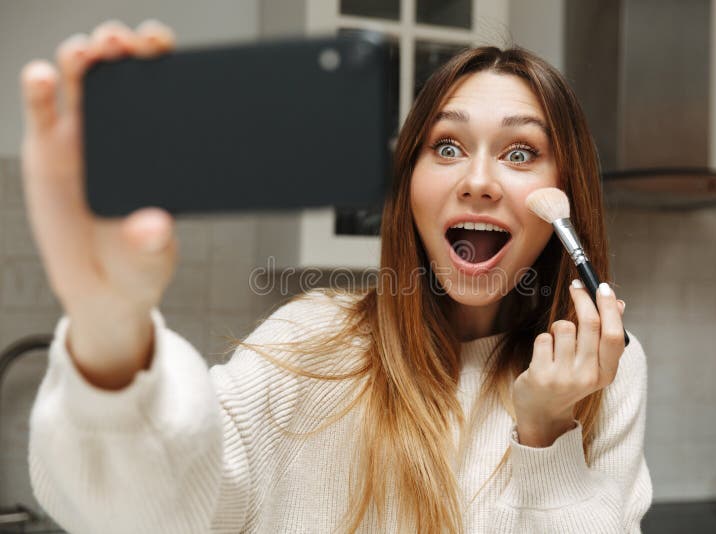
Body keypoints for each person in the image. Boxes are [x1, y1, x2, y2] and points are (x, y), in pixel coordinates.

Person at [19, 18, 652, 534]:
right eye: (446, 147)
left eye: (520, 153)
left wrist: (547, 434)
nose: (478, 181)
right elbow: (147, 513)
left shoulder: (606, 372)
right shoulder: (310, 343)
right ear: (407, 186)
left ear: (563, 194)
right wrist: (109, 334)